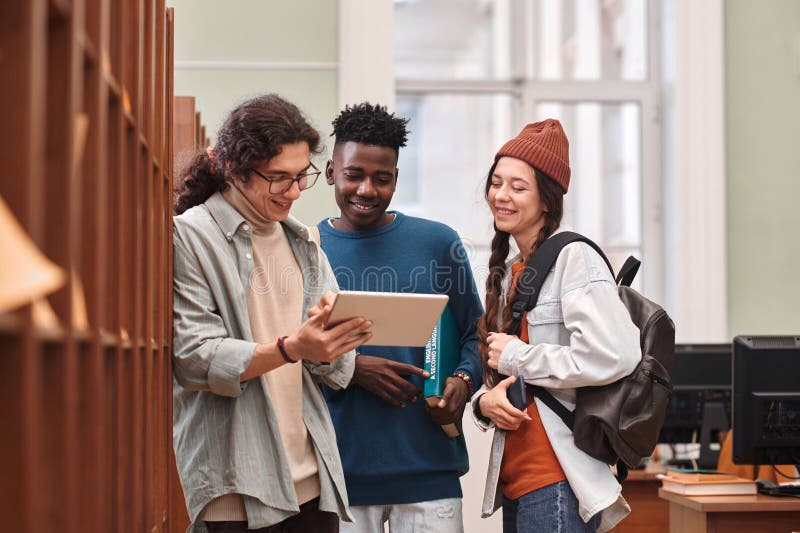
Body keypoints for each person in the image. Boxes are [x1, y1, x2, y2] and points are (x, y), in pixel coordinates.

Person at [172, 94, 372, 533]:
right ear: (235, 170)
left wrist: (330, 343)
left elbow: (334, 371)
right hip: (236, 486)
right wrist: (290, 348)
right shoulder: (190, 236)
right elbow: (194, 357)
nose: (295, 191)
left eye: (303, 176)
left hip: (311, 481)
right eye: (278, 178)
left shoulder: (304, 243)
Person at [317, 102, 484, 533]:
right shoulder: (305, 249)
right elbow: (284, 353)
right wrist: (351, 370)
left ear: (396, 178)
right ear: (332, 171)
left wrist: (463, 382)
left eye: (382, 178)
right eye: (354, 174)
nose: (367, 189)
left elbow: (477, 335)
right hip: (340, 476)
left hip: (430, 468)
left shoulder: (437, 242)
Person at [471, 119, 641, 533]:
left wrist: (518, 356)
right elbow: (503, 374)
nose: (501, 195)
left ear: (546, 200)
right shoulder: (513, 272)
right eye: (497, 183)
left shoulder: (574, 259)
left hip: (558, 482)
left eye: (518, 186)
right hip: (517, 481)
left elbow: (614, 354)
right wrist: (483, 404)